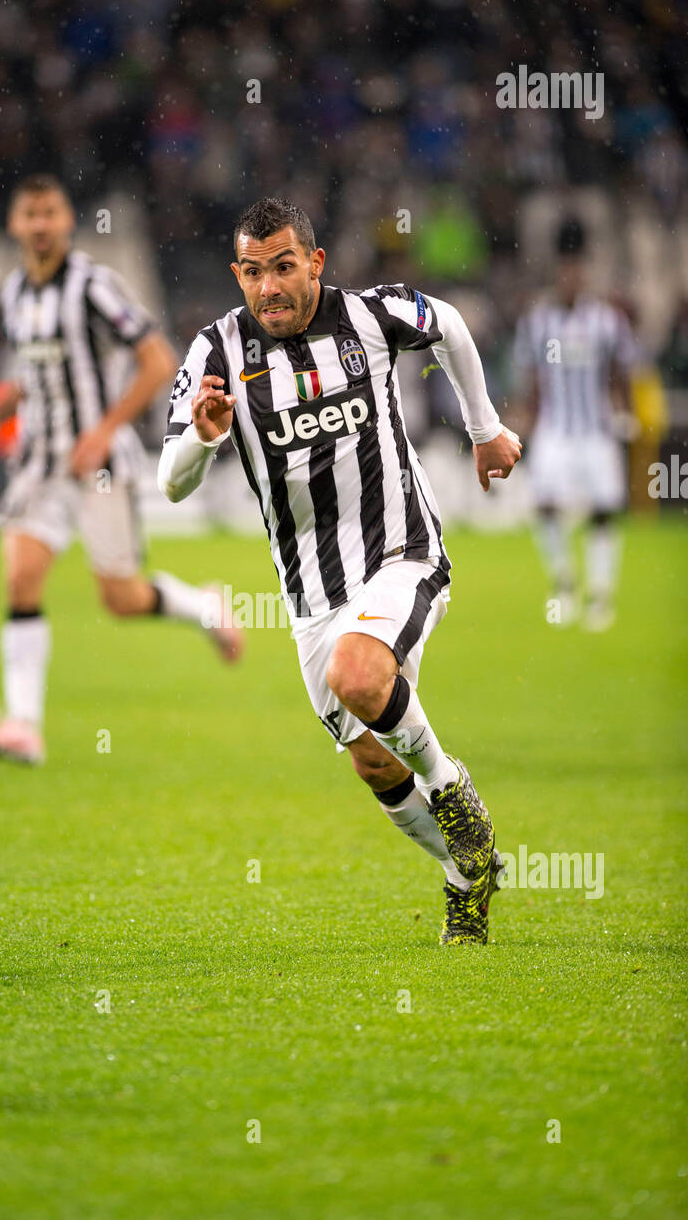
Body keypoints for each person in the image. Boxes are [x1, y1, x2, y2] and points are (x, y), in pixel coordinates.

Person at [159, 197, 522, 945]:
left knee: (360, 677)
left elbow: (448, 324)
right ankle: (467, 870)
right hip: (310, 597)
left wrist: (484, 431)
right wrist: (200, 437)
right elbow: (170, 483)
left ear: (314, 263)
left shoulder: (371, 316)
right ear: (237, 274)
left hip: (402, 552)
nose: (270, 288)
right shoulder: (215, 353)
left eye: (284, 266)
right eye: (253, 273)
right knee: (371, 763)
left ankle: (454, 793)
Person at [0, 174, 243, 765]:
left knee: (121, 598)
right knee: (20, 579)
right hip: (39, 464)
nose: (40, 224)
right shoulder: (10, 294)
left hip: (102, 464)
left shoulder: (93, 286)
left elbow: (157, 358)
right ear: (15, 225)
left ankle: (205, 608)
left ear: (66, 222)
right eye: (29, 214)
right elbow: (29, 377)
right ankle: (23, 725)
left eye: (50, 213)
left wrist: (104, 430)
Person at [512, 219, 637, 630]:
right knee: (545, 505)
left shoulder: (605, 320)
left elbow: (622, 369)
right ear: (558, 277)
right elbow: (532, 376)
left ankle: (600, 594)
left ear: (584, 277)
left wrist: (626, 413)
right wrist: (526, 422)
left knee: (603, 511)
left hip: (596, 430)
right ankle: (564, 583)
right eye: (565, 273)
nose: (571, 279)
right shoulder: (539, 322)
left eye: (577, 272)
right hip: (556, 430)